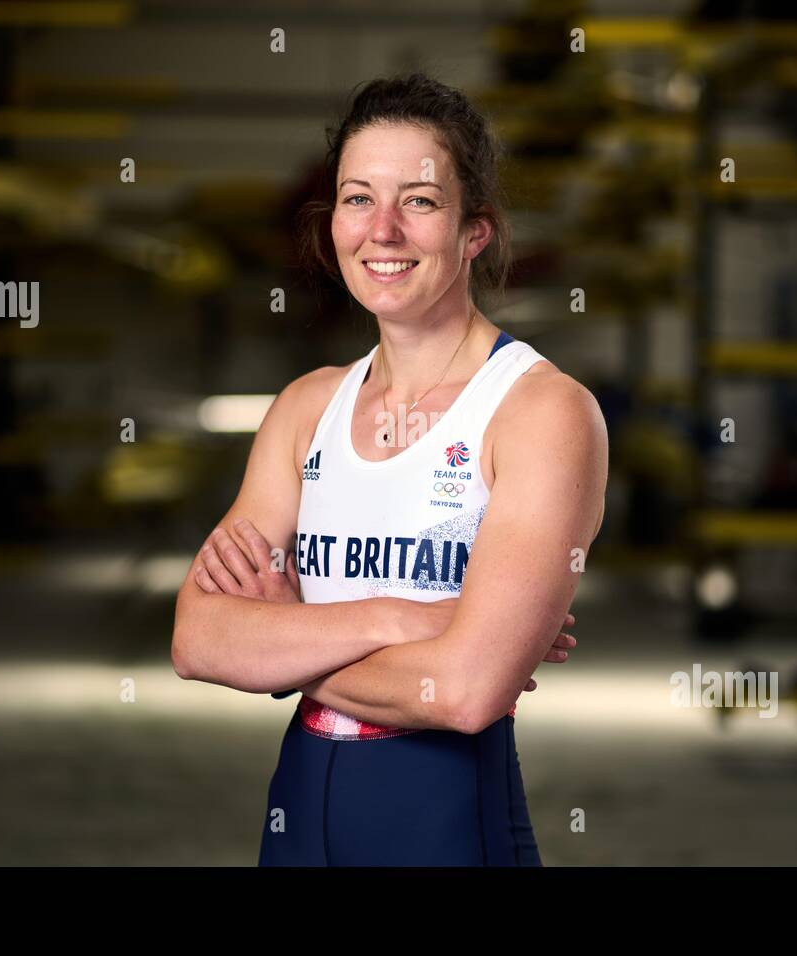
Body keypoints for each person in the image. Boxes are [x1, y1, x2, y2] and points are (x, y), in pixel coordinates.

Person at [171, 72, 608, 866]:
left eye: (420, 200)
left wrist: (286, 640)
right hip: (298, 814)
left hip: (443, 821)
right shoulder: (306, 409)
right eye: (357, 198)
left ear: (475, 230)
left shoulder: (541, 413)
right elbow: (200, 640)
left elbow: (470, 691)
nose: (383, 230)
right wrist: (408, 618)